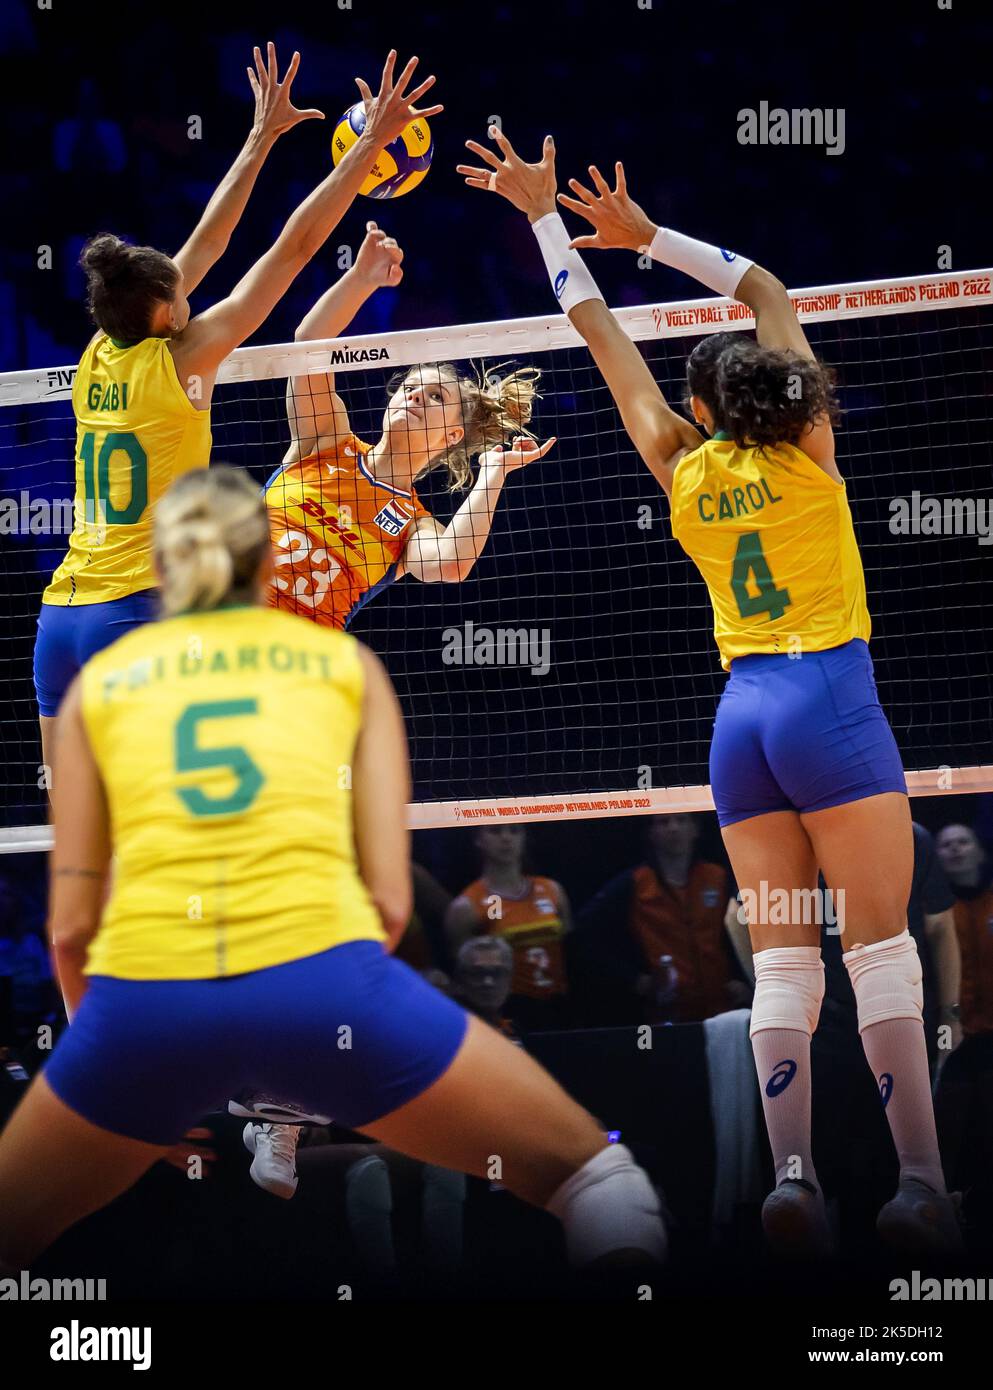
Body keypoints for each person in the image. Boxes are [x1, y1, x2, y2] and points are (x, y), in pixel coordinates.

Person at [458, 127, 961, 1256]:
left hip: (740, 724)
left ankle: (792, 1177)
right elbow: (766, 287)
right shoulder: (811, 457)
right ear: (795, 403)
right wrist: (655, 237)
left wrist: (549, 220)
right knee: (880, 949)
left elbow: (596, 332)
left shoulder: (681, 465)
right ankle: (921, 1185)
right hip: (829, 701)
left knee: (782, 953)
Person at [0, 466, 665, 1275]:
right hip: (316, 981)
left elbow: (70, 929)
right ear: (266, 563)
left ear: (163, 570)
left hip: (146, 1009)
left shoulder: (99, 689)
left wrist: (105, 1060)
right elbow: (387, 907)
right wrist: (328, 1040)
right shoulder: (341, 670)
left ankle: (263, 1111)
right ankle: (282, 1109)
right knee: (596, 1177)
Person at [33, 45, 441, 780]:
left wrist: (260, 139)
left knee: (80, 845)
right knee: (166, 814)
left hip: (61, 614)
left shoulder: (103, 341)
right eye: (182, 293)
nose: (193, 289)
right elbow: (291, 251)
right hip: (133, 612)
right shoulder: (184, 361)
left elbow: (209, 242)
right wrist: (365, 153)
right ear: (164, 314)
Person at [265, 224, 556, 629]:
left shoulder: (411, 523)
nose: (417, 396)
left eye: (437, 397)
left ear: (452, 436)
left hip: (295, 661)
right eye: (410, 388)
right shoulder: (327, 440)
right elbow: (310, 341)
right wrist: (361, 278)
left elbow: (451, 565)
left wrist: (492, 474)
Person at [573, 815, 746, 1026]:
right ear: (650, 833)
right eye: (663, 822)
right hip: (665, 1014)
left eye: (681, 821)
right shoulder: (635, 884)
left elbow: (746, 931)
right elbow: (584, 934)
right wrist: (635, 980)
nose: (673, 828)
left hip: (723, 1011)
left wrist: (744, 979)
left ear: (695, 829)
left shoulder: (718, 877)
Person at [445, 827, 573, 1032]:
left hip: (558, 1006)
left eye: (514, 831)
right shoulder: (467, 906)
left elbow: (571, 949)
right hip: (508, 1012)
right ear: (479, 839)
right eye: (495, 832)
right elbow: (462, 973)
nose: (506, 839)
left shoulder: (552, 891)